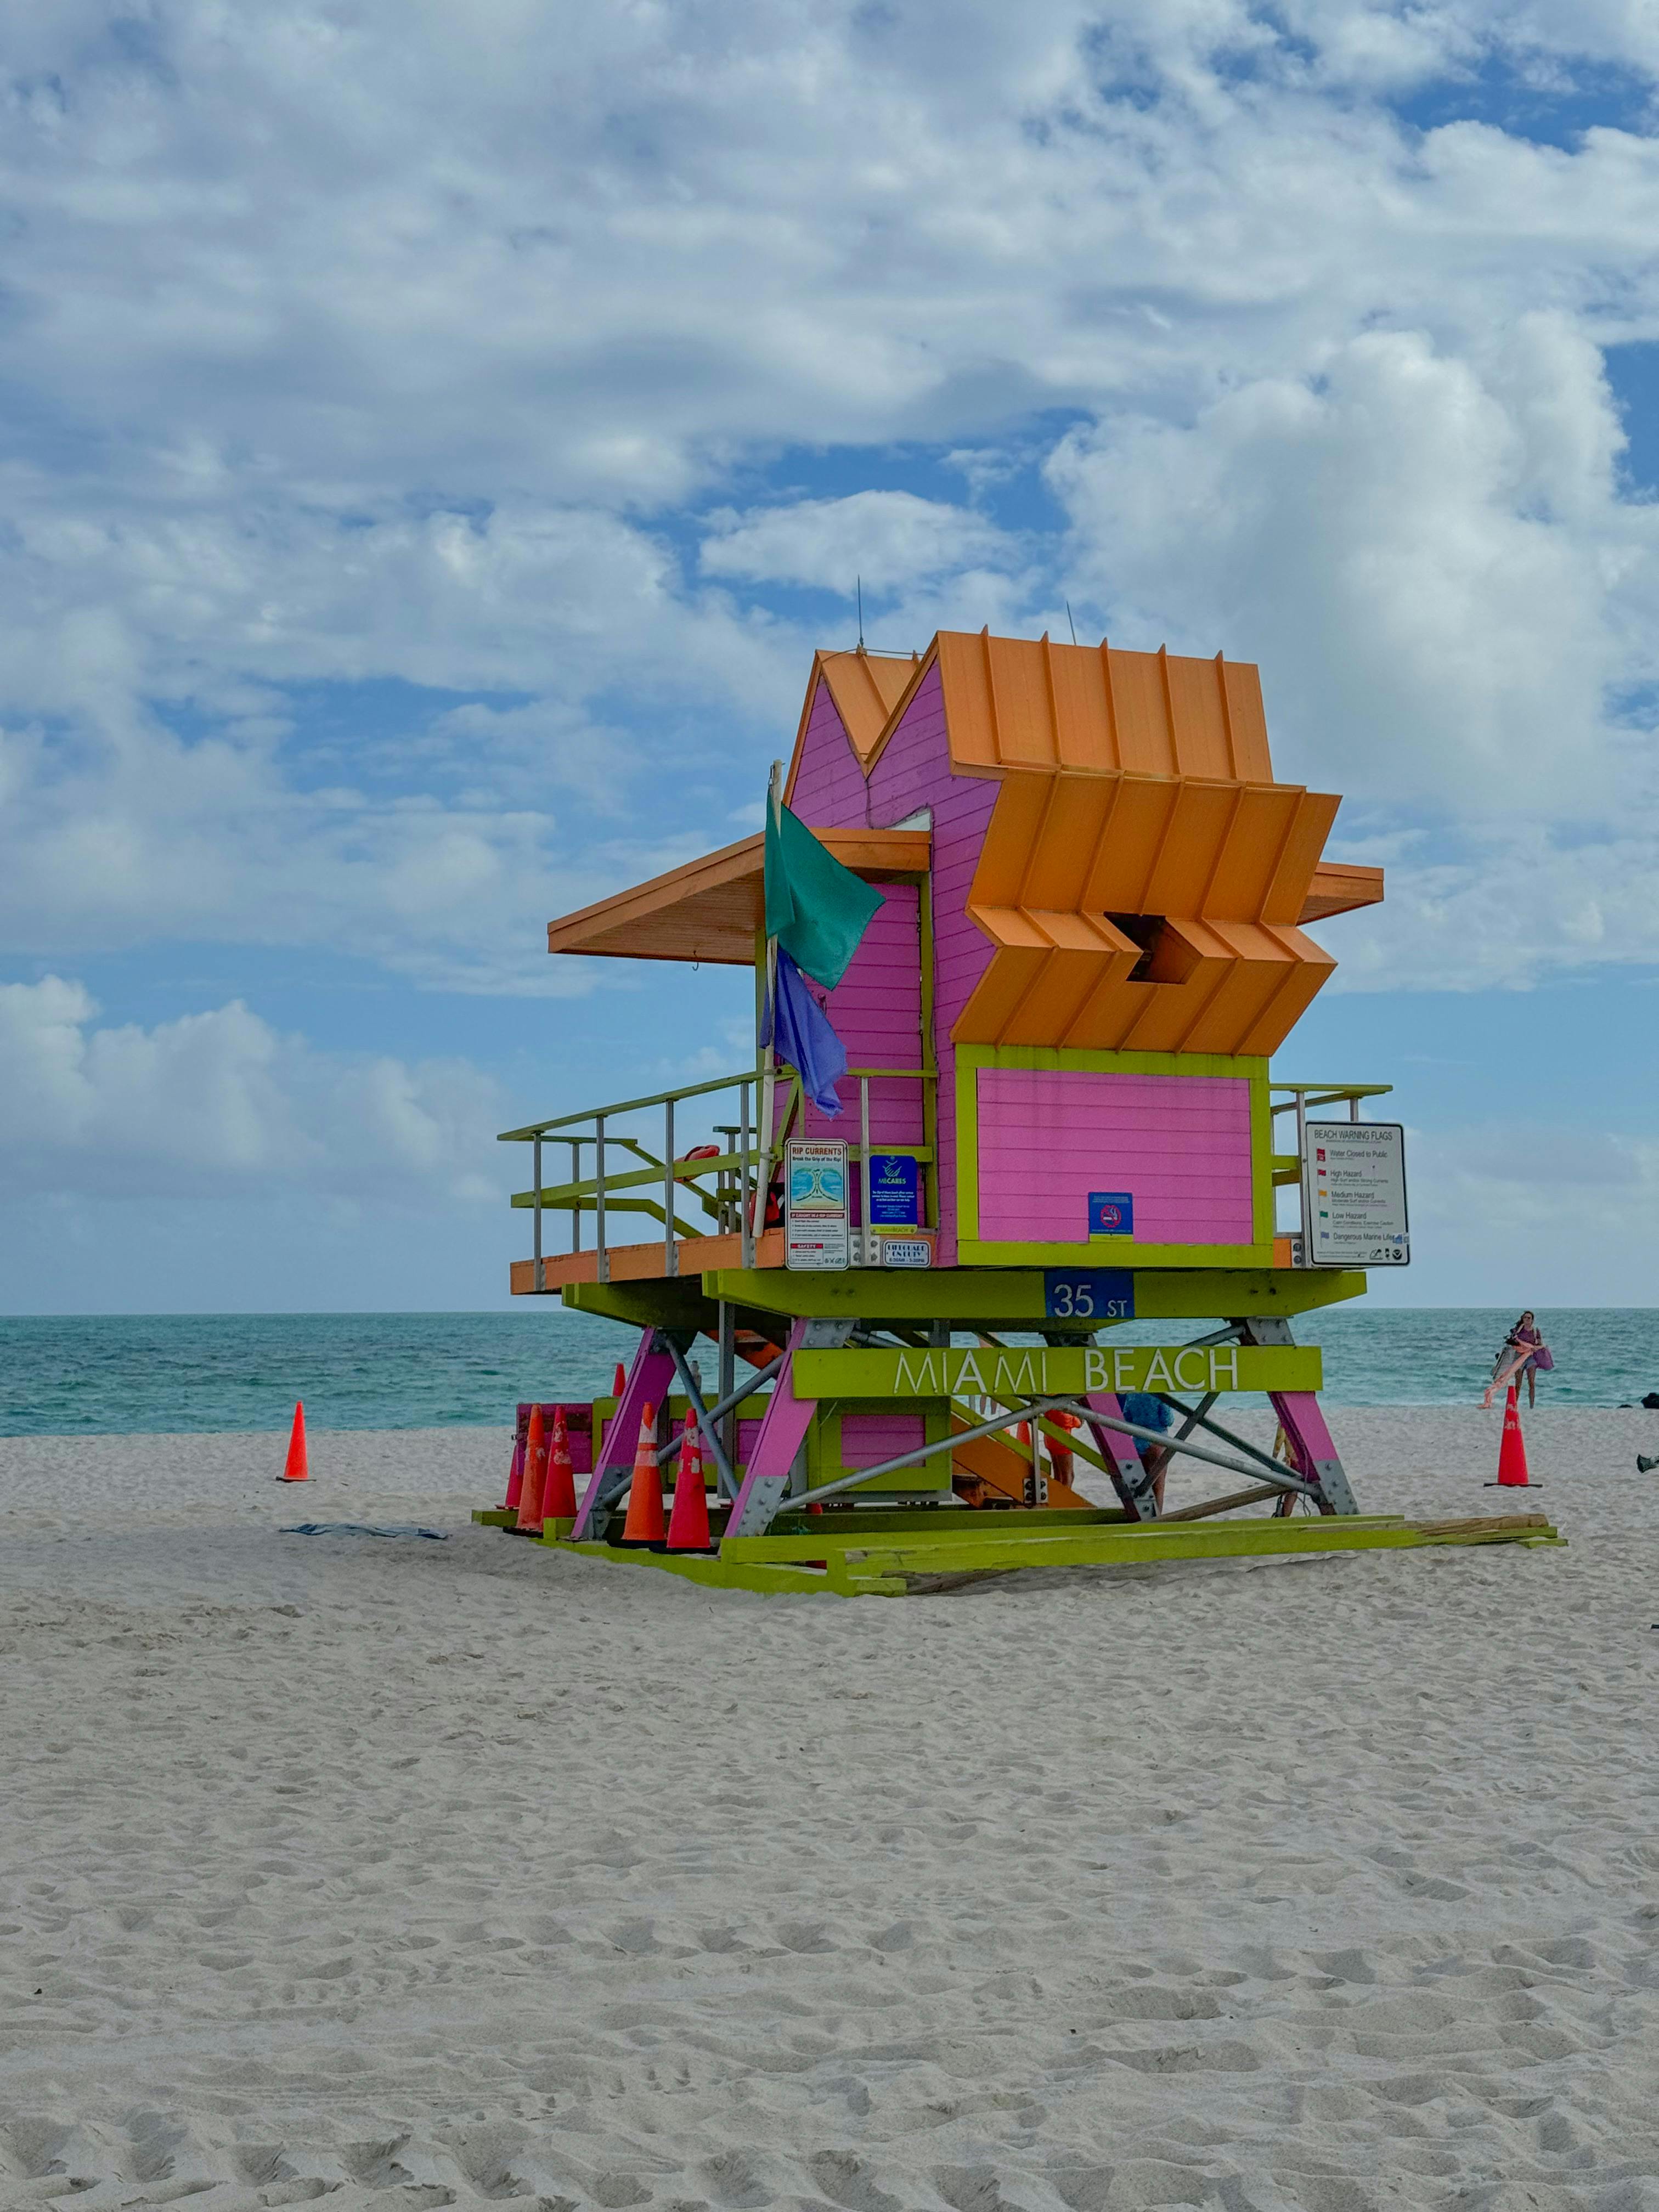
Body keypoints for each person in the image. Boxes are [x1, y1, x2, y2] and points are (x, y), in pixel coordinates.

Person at [1481, 1311, 1551, 1408]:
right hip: (1518, 1357)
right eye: (1525, 1318)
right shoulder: (1518, 1330)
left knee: (1531, 1382)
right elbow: (1512, 1343)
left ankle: (1532, 1407)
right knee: (1518, 1383)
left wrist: (1535, 1347)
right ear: (1522, 1319)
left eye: (1529, 1318)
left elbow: (1539, 1344)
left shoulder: (1536, 1331)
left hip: (1530, 1357)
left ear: (1532, 1320)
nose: (1527, 1320)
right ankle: (1515, 1405)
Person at [1119, 1390, 1175, 1509]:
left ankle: (1144, 1517)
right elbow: (1168, 1420)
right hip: (1158, 1440)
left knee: (1142, 1485)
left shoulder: (1133, 1394)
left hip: (1138, 1441)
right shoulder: (1160, 1394)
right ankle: (1157, 1520)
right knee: (1158, 1486)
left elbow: (1127, 1417)